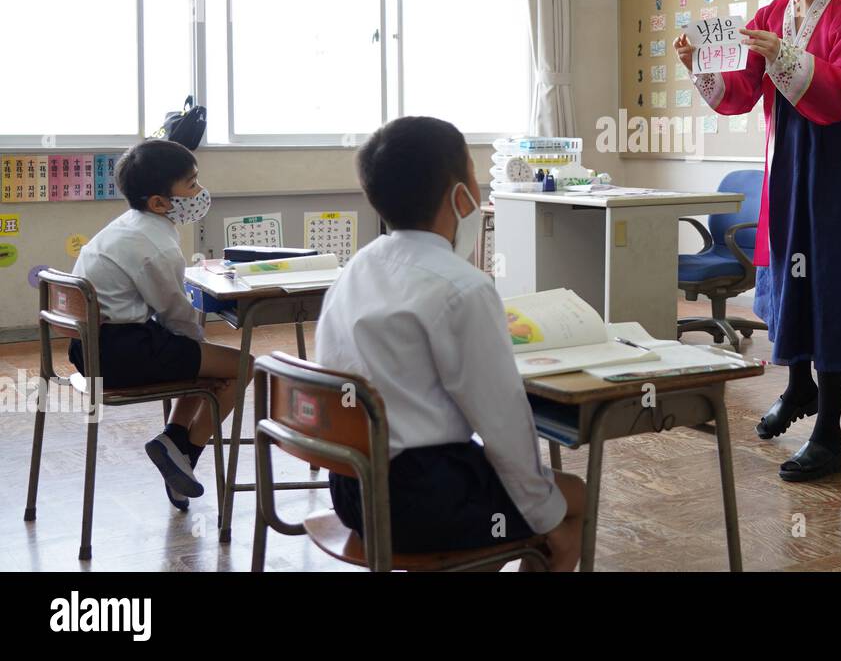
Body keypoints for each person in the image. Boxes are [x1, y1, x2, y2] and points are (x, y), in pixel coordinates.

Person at [675, 0, 841, 481]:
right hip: (786, 170)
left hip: (835, 174)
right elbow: (742, 91)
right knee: (788, 281)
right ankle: (799, 385)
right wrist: (699, 65)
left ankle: (830, 434)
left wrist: (783, 54)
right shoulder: (771, 12)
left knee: (832, 289)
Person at [314, 116, 586, 569]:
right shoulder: (463, 287)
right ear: (459, 195)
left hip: (352, 487)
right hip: (420, 498)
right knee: (574, 498)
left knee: (513, 496)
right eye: (475, 175)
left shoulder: (359, 266)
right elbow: (503, 423)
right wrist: (547, 518)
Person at [71, 139, 248, 510]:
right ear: (159, 202)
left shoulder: (131, 224)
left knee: (196, 357)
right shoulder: (157, 244)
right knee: (245, 367)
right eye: (191, 184)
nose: (199, 192)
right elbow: (176, 314)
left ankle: (172, 442)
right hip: (122, 352)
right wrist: (201, 344)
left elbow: (170, 319)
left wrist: (198, 348)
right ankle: (187, 451)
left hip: (92, 347)